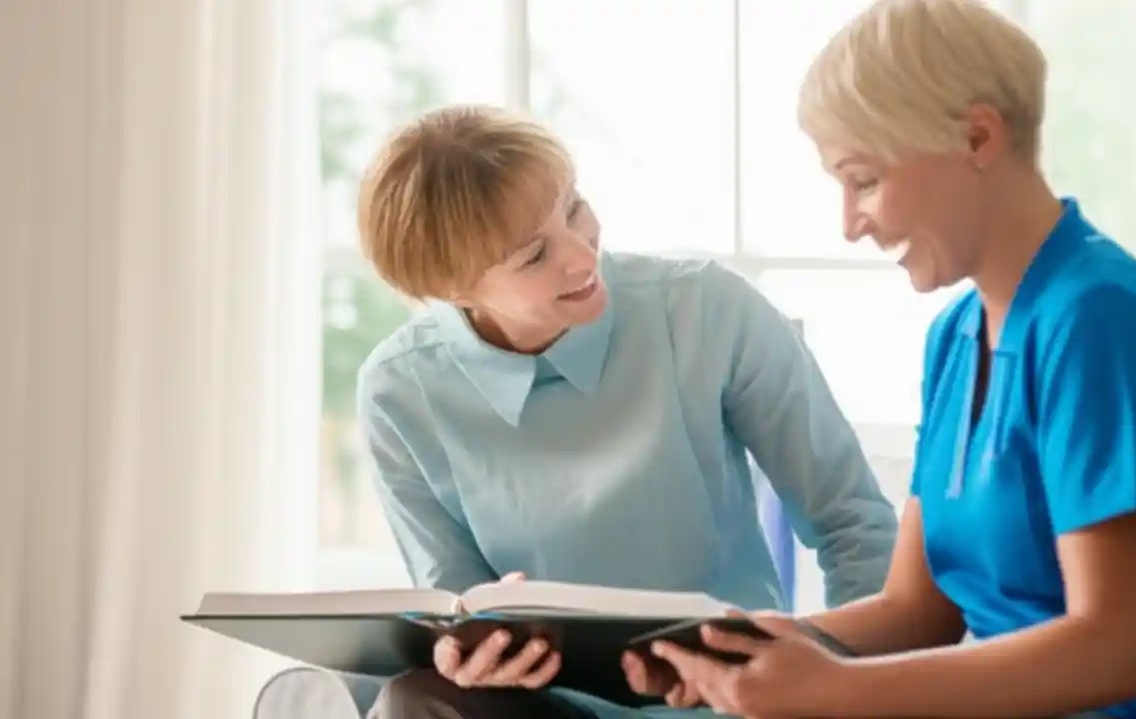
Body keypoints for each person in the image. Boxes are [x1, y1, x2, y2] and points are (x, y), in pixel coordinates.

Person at [626, 0, 1136, 717]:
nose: (850, 225)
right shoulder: (957, 337)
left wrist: (836, 692)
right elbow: (917, 611)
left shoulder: (1101, 320)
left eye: (864, 180)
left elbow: (1113, 648)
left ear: (976, 137)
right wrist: (752, 650)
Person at [353, 104, 899, 719]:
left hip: (733, 702)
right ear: (456, 288)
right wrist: (466, 654)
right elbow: (455, 606)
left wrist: (851, 689)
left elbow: (852, 523)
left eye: (574, 208)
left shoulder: (704, 310)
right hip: (543, 708)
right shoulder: (400, 391)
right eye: (534, 256)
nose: (582, 255)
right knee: (411, 700)